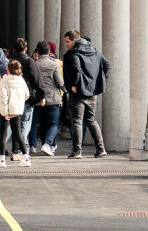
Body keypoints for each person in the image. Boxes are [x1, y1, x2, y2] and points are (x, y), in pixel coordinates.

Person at [61, 30, 110, 158]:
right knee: (91, 120)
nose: (66, 44)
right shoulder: (94, 51)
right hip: (92, 93)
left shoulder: (73, 54)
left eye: (67, 41)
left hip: (77, 93)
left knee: (77, 121)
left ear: (74, 40)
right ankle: (101, 149)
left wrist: (74, 85)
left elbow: (77, 70)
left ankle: (77, 151)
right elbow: (107, 65)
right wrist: (99, 83)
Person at [0, 59, 32, 166]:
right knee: (18, 134)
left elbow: (3, 97)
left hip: (6, 112)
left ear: (8, 69)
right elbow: (27, 94)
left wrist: (5, 113)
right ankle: (25, 158)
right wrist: (19, 104)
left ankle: (1, 159)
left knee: (3, 135)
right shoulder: (21, 80)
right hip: (17, 111)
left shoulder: (4, 81)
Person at [28, 42, 63, 154]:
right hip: (52, 98)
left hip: (38, 99)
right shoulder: (53, 65)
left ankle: (38, 145)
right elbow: (60, 82)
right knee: (54, 123)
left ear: (37, 52)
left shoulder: (34, 64)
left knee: (41, 123)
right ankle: (47, 144)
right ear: (49, 52)